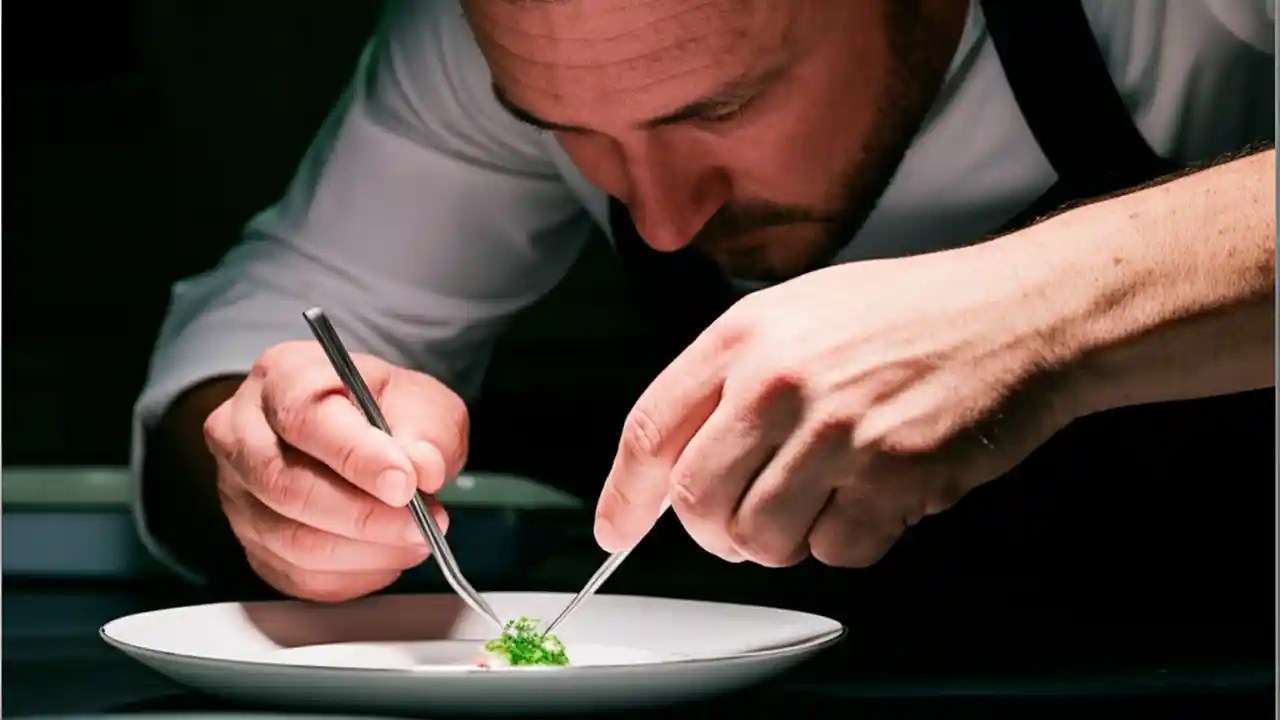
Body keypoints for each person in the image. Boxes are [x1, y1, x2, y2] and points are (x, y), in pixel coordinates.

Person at [131, 0, 1275, 607]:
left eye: (715, 112)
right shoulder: (518, 40)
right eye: (569, 137)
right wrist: (274, 463)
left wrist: (1035, 308)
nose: (662, 225)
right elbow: (266, 332)